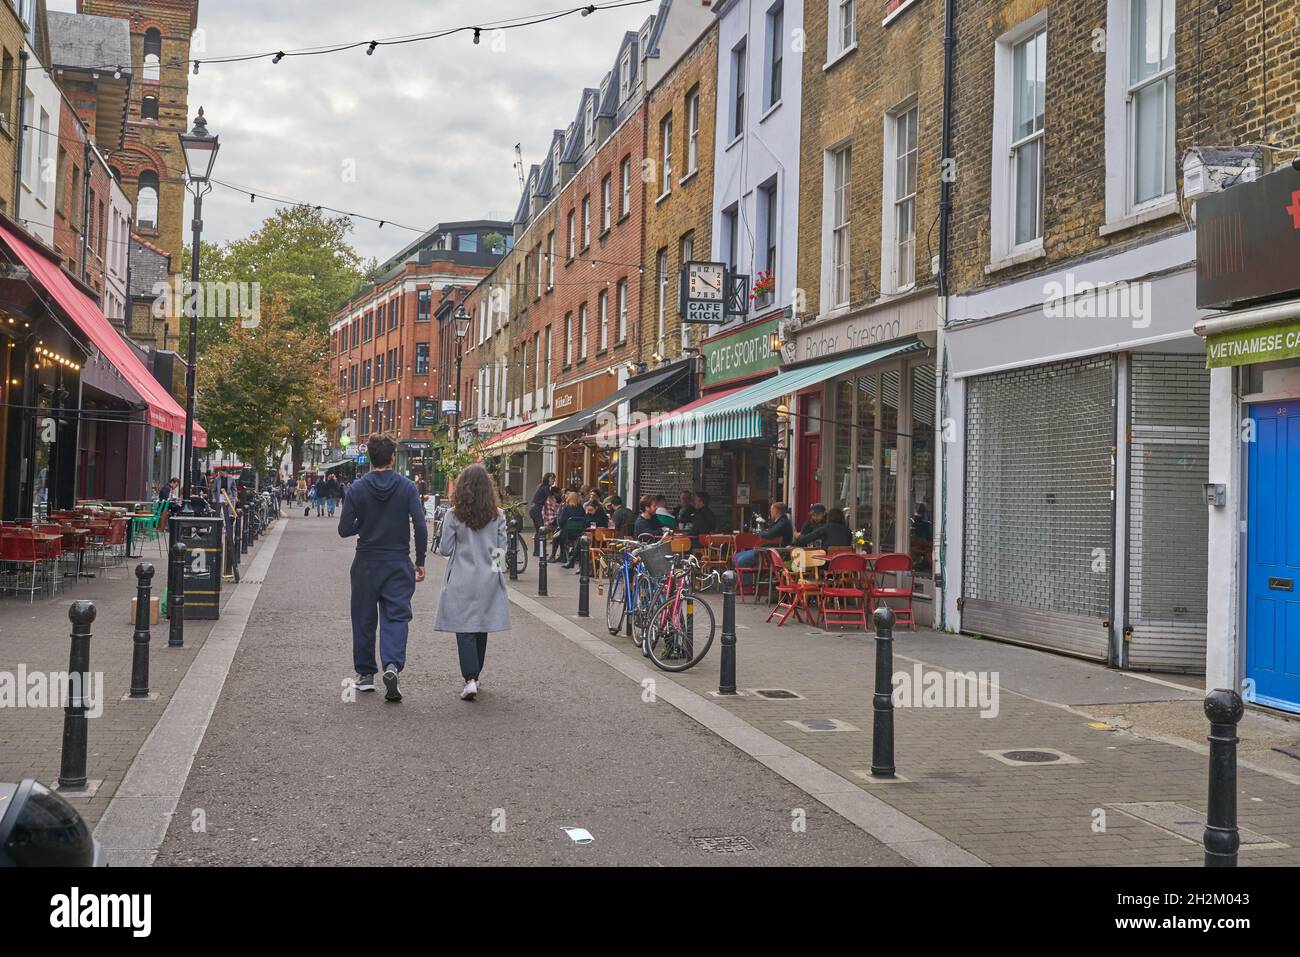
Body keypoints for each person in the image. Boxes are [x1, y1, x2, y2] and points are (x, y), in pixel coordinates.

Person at [337, 434, 427, 703]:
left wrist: (363, 525)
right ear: (392, 459)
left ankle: (365, 675)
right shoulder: (408, 487)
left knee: (363, 617)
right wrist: (419, 560)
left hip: (366, 560)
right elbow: (421, 526)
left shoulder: (357, 488)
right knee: (397, 616)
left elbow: (344, 529)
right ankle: (392, 666)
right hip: (398, 560)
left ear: (370, 458)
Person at [433, 463, 511, 701]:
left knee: (464, 628)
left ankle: (470, 678)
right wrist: (498, 575)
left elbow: (445, 548)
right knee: (481, 626)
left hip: (461, 577)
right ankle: (475, 676)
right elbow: (502, 550)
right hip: (488, 577)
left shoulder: (453, 515)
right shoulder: (498, 515)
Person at [734, 502, 794, 584]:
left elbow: (770, 533)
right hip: (763, 551)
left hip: (767, 554)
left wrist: (759, 533)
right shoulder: (779, 522)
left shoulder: (782, 523)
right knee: (736, 557)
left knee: (741, 560)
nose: (770, 512)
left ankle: (747, 584)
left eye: (771, 510)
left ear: (776, 511)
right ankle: (744, 582)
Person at [556, 491, 586, 568]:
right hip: (579, 532)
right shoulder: (581, 509)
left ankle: (563, 557)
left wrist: (561, 525)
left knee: (557, 537)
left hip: (568, 533)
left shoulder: (566, 508)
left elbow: (561, 521)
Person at [530, 472, 555, 557]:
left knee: (538, 531)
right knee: (541, 531)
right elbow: (551, 498)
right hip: (536, 509)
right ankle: (540, 551)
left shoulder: (541, 486)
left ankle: (538, 551)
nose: (554, 480)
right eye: (552, 479)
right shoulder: (546, 487)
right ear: (548, 479)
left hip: (534, 509)